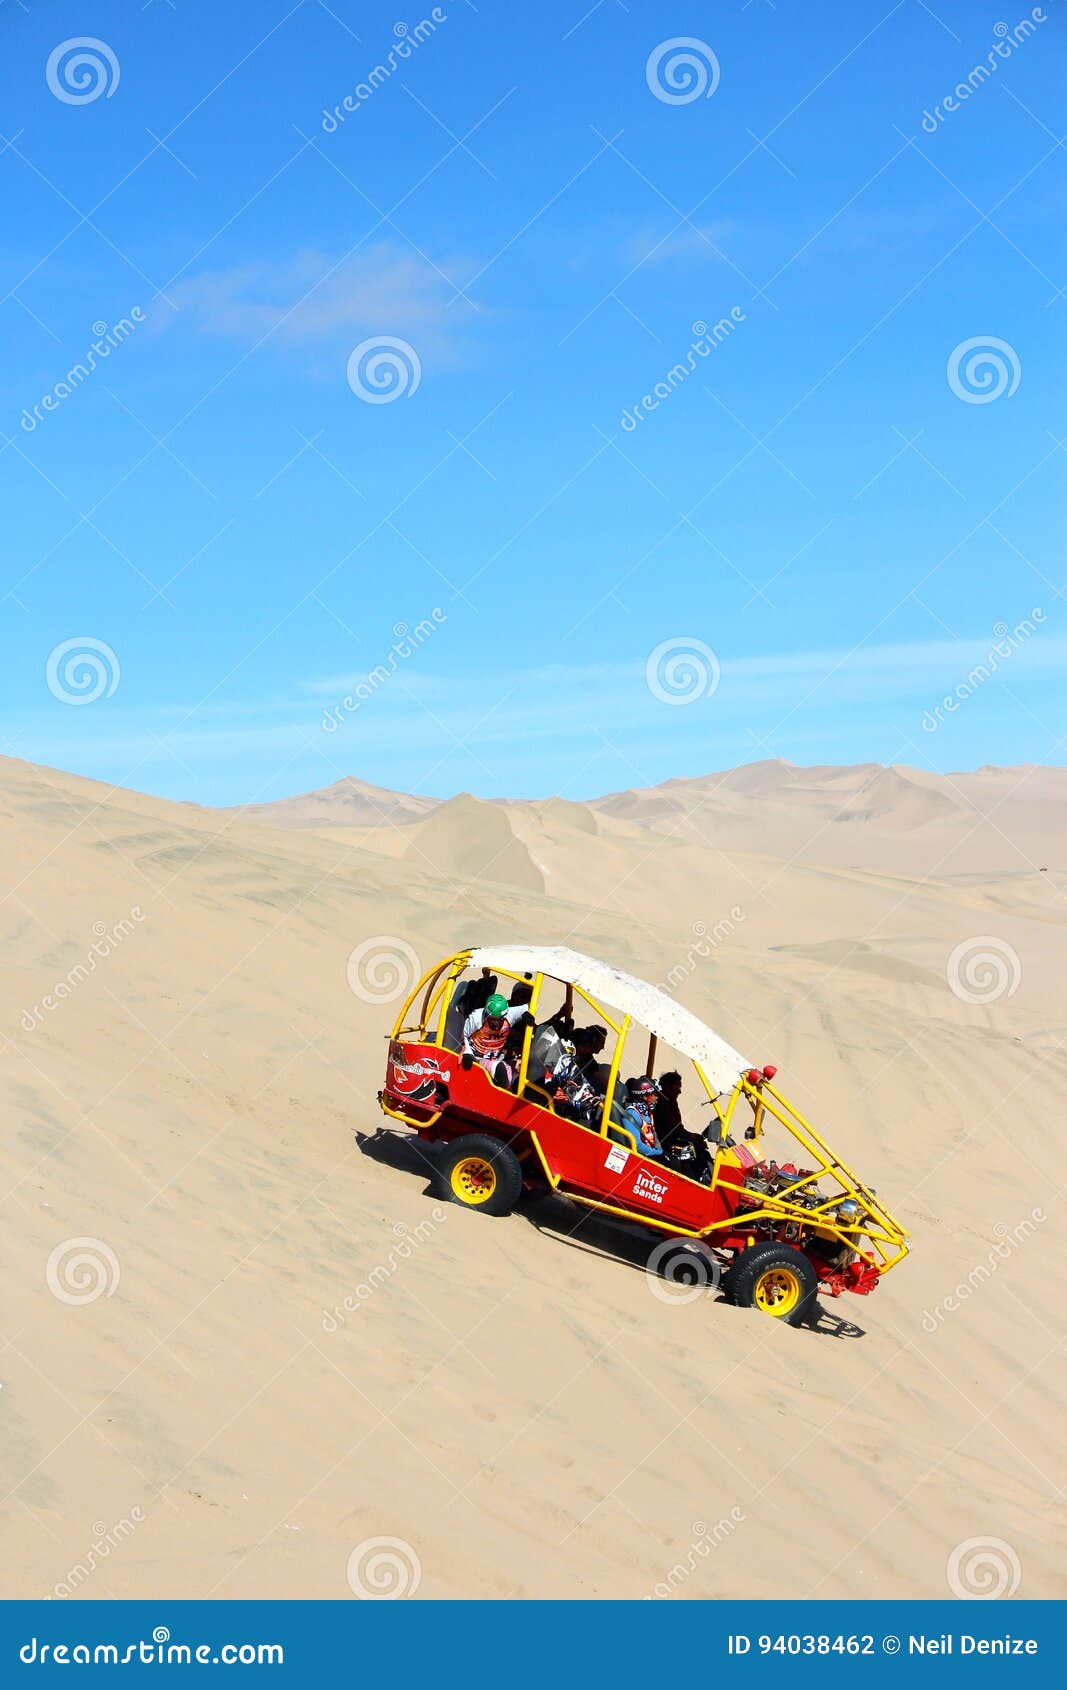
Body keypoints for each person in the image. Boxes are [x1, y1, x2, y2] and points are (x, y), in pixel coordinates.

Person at [461, 993, 533, 1089]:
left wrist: (526, 1014)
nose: (496, 1023)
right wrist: (467, 1053)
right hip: (476, 1058)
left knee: (521, 1076)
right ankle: (502, 1099)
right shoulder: (476, 1018)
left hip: (496, 1057)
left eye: (500, 1020)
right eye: (493, 1020)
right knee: (498, 1068)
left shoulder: (510, 1014)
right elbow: (464, 1035)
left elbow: (528, 1006)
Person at [655, 1070, 714, 1183]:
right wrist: (691, 1137)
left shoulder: (671, 1102)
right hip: (665, 1143)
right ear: (668, 1087)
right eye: (677, 1087)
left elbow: (677, 1128)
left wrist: (693, 1137)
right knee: (694, 1153)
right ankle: (692, 1183)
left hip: (671, 1138)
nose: (680, 1091)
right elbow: (673, 1129)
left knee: (701, 1151)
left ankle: (701, 1180)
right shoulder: (662, 1102)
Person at [622, 1075, 663, 1158]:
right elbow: (636, 1144)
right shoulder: (632, 1114)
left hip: (651, 1153)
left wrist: (661, 1152)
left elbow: (655, 1138)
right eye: (655, 1094)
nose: (658, 1097)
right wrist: (657, 1154)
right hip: (641, 1156)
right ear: (645, 1096)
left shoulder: (648, 1112)